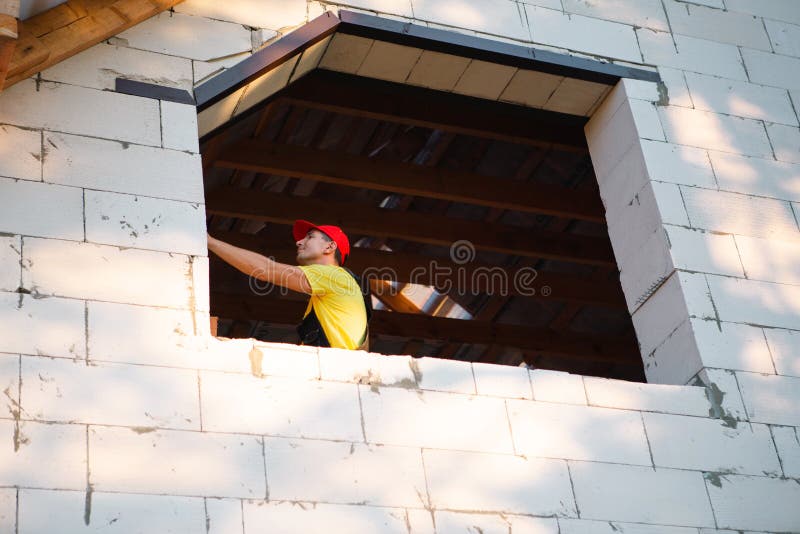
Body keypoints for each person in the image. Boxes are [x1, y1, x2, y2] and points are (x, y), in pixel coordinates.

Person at [207, 220, 369, 350]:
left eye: (310, 237)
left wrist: (210, 242)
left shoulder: (334, 275)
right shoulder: (342, 285)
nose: (299, 242)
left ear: (330, 246)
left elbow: (265, 269)